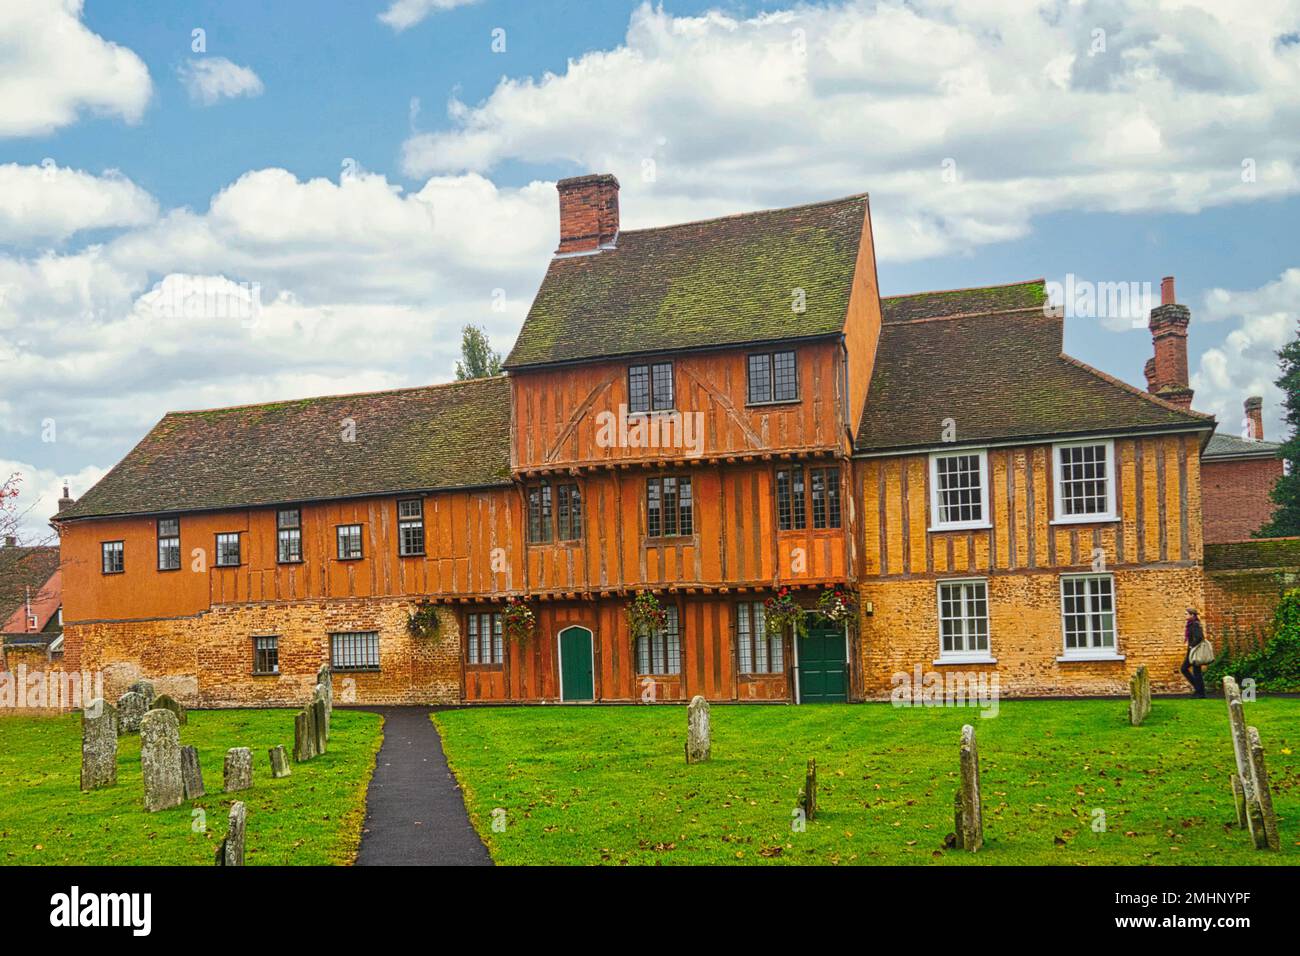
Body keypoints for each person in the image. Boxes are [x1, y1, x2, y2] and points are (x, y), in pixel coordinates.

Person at [1181, 608, 1207, 698]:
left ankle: (1200, 692)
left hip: (1194, 651)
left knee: (1187, 669)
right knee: (1195, 671)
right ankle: (1199, 691)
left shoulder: (1195, 624)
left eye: (1186, 614)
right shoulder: (1191, 624)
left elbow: (1199, 637)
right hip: (1192, 650)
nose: (1185, 615)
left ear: (1192, 615)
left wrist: (1192, 646)